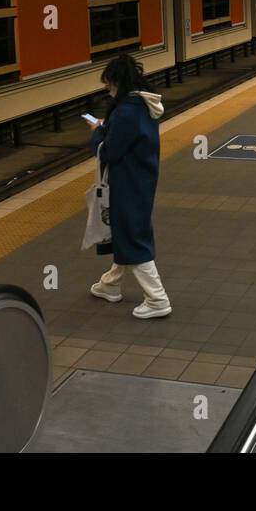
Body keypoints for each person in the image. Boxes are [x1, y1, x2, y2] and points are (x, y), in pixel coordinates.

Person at [85, 54, 172, 319]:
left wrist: (97, 131)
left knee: (133, 233)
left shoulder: (126, 111)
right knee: (126, 229)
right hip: (141, 178)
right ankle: (110, 284)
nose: (106, 88)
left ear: (118, 82)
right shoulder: (142, 103)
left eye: (108, 83)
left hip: (127, 181)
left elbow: (109, 151)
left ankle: (157, 299)